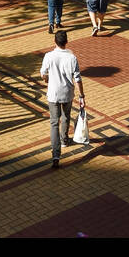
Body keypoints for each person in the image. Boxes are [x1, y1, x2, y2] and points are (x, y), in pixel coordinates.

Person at [39, 29, 85, 169]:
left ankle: (56, 154)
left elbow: (42, 73)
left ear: (55, 41)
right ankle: (64, 139)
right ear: (66, 41)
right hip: (67, 93)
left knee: (54, 122)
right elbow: (77, 79)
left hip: (53, 94)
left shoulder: (49, 56)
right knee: (66, 117)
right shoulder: (72, 58)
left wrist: (46, 79)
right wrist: (82, 95)